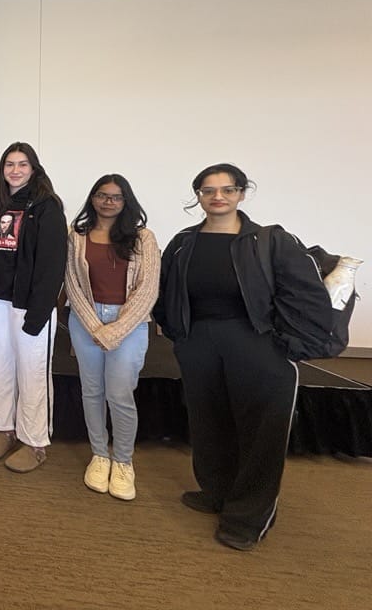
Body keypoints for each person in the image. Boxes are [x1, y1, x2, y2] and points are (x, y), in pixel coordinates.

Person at [153, 163, 332, 551]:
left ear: (241, 194)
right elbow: (165, 291)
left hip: (257, 344)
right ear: (197, 196)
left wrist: (288, 345)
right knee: (209, 422)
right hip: (199, 343)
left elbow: (305, 295)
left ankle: (248, 517)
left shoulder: (270, 240)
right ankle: (217, 492)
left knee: (259, 432)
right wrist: (178, 334)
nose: (218, 196)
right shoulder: (183, 242)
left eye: (227, 189)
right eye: (208, 190)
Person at [64, 174, 160, 501]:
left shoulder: (143, 238)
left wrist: (114, 330)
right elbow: (72, 287)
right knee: (92, 391)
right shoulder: (75, 236)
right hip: (85, 321)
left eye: (116, 197)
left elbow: (148, 290)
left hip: (129, 323)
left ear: (125, 201)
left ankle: (122, 461)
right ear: (92, 198)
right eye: (102, 195)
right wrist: (95, 327)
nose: (108, 202)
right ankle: (99, 454)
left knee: (120, 394)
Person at [0, 142, 67, 473]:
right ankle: (4, 429)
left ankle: (34, 442)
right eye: (9, 164)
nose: (15, 170)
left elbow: (52, 263)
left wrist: (39, 312)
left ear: (34, 169)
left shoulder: (47, 207)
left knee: (32, 373)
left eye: (23, 164)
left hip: (29, 306)